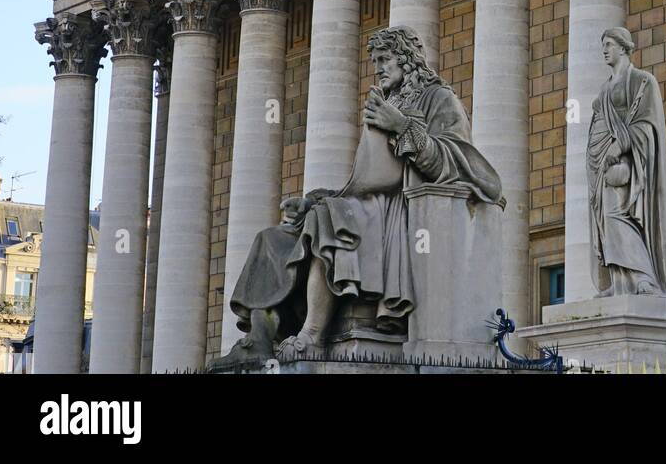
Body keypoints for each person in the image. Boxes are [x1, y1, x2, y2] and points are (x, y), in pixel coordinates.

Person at [214, 26, 503, 365]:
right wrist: (311, 200)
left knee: (328, 219)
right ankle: (259, 339)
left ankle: (312, 333)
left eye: (385, 59)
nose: (378, 67)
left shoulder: (438, 99)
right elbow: (364, 179)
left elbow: (456, 165)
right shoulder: (387, 100)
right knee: (272, 237)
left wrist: (401, 126)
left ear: (407, 59)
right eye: (375, 60)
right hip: (368, 204)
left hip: (403, 207)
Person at [587, 27, 666, 297]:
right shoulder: (605, 88)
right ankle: (619, 281)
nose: (604, 50)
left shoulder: (642, 81)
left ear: (624, 47)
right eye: (603, 45)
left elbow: (647, 123)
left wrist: (622, 144)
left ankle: (643, 278)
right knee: (606, 218)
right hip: (599, 158)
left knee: (620, 214)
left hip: (625, 159)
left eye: (609, 44)